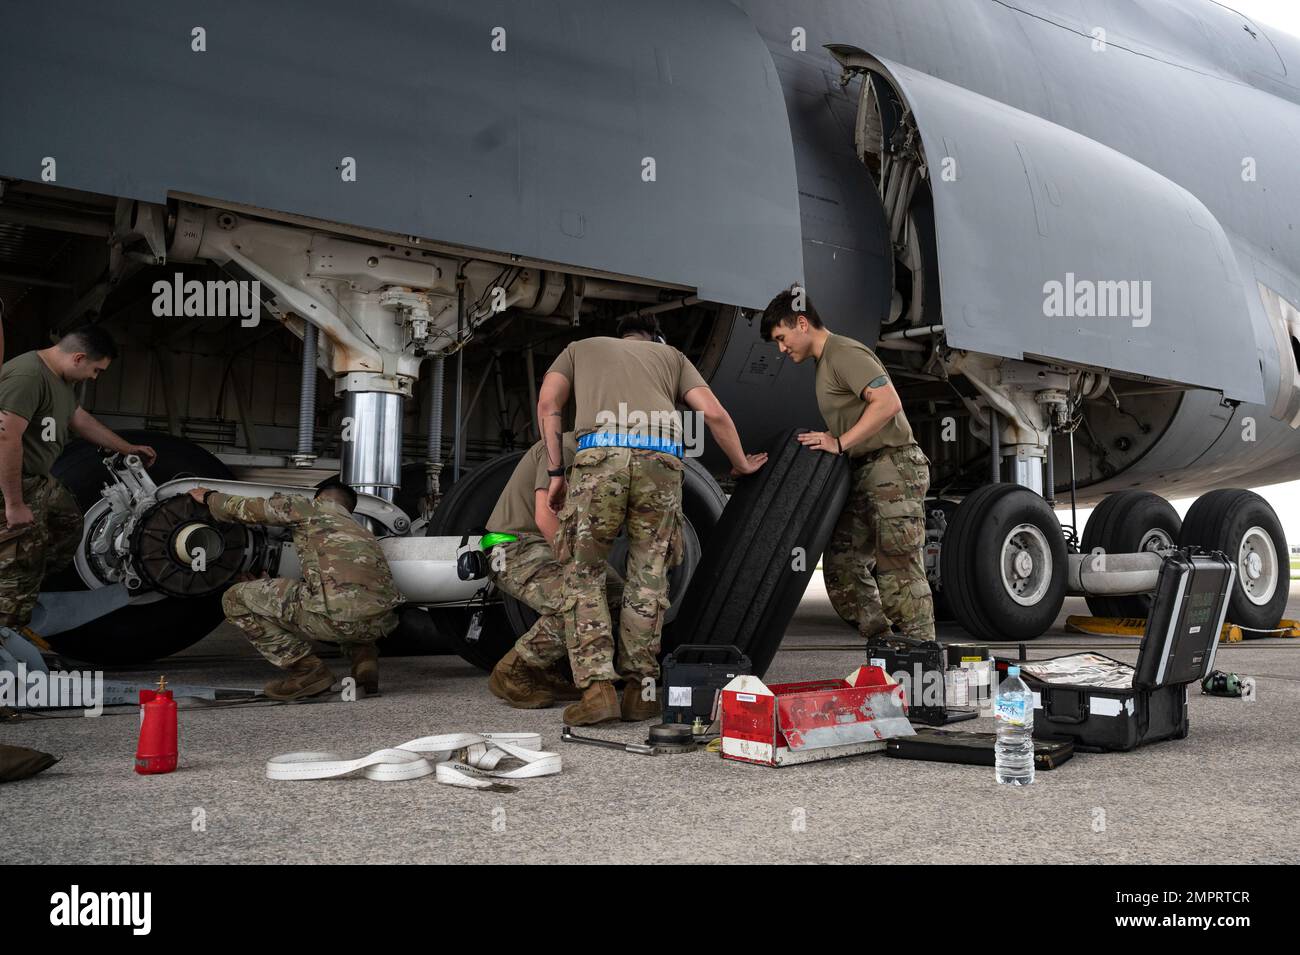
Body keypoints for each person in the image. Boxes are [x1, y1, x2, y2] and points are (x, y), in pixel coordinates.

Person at [538, 314, 767, 725]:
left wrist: (556, 472)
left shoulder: (579, 348)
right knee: (648, 575)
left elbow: (548, 404)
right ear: (653, 337)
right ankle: (641, 692)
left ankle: (597, 691)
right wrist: (741, 463)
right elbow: (713, 413)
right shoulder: (672, 356)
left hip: (601, 455)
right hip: (660, 459)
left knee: (584, 572)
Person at [760, 286, 935, 643]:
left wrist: (839, 442)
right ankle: (886, 643)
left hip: (893, 466)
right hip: (865, 472)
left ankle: (923, 659)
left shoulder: (843, 352)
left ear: (802, 323)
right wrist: (832, 437)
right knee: (842, 565)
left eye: (781, 337)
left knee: (898, 569)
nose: (781, 349)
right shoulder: (824, 364)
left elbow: (887, 403)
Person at [0, 327, 155, 636]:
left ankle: (27, 586)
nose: (95, 377)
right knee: (19, 566)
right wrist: (14, 504)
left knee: (68, 524)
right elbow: (6, 437)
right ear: (79, 357)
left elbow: (80, 420)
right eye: (96, 370)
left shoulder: (58, 379)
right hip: (13, 483)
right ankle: (8, 638)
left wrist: (126, 447)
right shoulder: (28, 377)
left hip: (39, 482)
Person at [188, 479, 402, 700]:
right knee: (352, 601)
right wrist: (265, 586)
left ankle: (307, 670)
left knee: (234, 598)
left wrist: (209, 497)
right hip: (379, 626)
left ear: (319, 497)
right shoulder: (363, 533)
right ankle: (364, 662)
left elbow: (248, 508)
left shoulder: (310, 508)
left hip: (337, 621)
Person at [486, 431, 606, 709]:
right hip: (513, 545)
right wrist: (581, 569)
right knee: (583, 597)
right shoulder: (562, 447)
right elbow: (545, 516)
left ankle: (542, 669)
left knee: (617, 593)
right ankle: (514, 668)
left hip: (545, 546)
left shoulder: (602, 454)